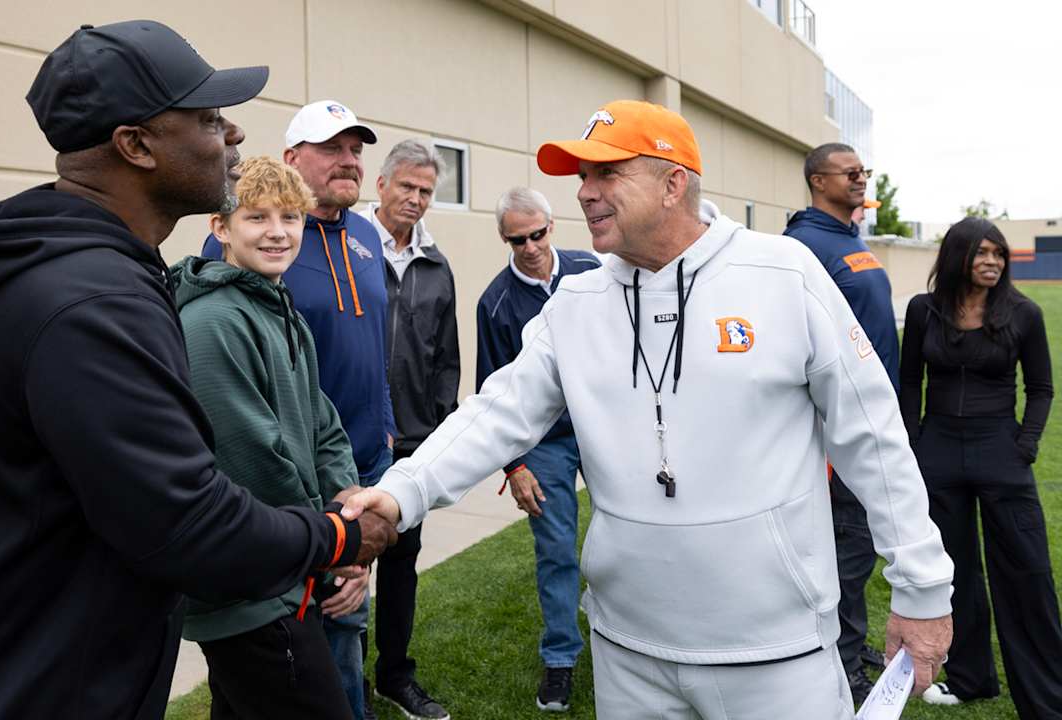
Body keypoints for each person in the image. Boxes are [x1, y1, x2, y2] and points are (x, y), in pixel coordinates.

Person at [0, 21, 394, 720]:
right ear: (135, 145)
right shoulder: (88, 302)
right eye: (206, 119)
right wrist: (341, 535)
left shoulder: (89, 271)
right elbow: (189, 524)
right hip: (1, 691)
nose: (230, 136)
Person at [343, 100, 955, 719]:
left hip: (778, 653)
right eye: (581, 176)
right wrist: (402, 492)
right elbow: (497, 412)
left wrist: (923, 587)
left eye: (606, 174)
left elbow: (872, 434)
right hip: (628, 654)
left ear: (673, 183)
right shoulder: (576, 302)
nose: (584, 194)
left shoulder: (782, 274)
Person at [202, 100, 393, 720]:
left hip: (325, 519)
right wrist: (338, 539)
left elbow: (322, 420)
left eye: (289, 217)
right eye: (257, 217)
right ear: (222, 227)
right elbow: (254, 454)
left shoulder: (283, 300)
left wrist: (348, 500)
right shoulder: (217, 315)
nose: (278, 230)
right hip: (266, 564)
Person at [902, 217, 1062, 717]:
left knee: (1026, 571)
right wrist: (915, 441)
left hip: (1001, 450)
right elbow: (909, 384)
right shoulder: (923, 311)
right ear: (957, 257)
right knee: (954, 571)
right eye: (981, 253)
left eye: (998, 254)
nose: (992, 261)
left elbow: (1040, 388)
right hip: (940, 450)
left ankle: (1048, 698)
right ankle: (970, 679)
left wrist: (1025, 445)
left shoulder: (1023, 313)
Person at [475, 186, 600, 712]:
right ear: (505, 238)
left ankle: (639, 633)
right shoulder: (496, 303)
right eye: (517, 238)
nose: (529, 246)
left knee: (634, 526)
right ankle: (560, 659)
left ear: (553, 226)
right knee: (555, 551)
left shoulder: (592, 270)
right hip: (543, 445)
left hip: (603, 427)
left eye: (538, 234)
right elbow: (494, 392)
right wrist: (516, 464)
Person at [784, 142, 894, 703]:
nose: (859, 179)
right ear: (816, 180)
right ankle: (842, 664)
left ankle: (852, 640)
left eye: (863, 171)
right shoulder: (803, 245)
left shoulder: (851, 239)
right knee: (847, 548)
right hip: (837, 430)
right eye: (849, 171)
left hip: (873, 418)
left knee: (859, 543)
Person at [358, 139, 458, 720]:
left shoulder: (436, 264)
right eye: (407, 188)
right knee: (342, 565)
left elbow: (446, 358)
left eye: (425, 192)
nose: (416, 200)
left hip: (412, 446)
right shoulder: (351, 246)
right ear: (382, 185)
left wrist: (435, 429)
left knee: (400, 568)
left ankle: (394, 675)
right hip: (354, 435)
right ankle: (346, 684)